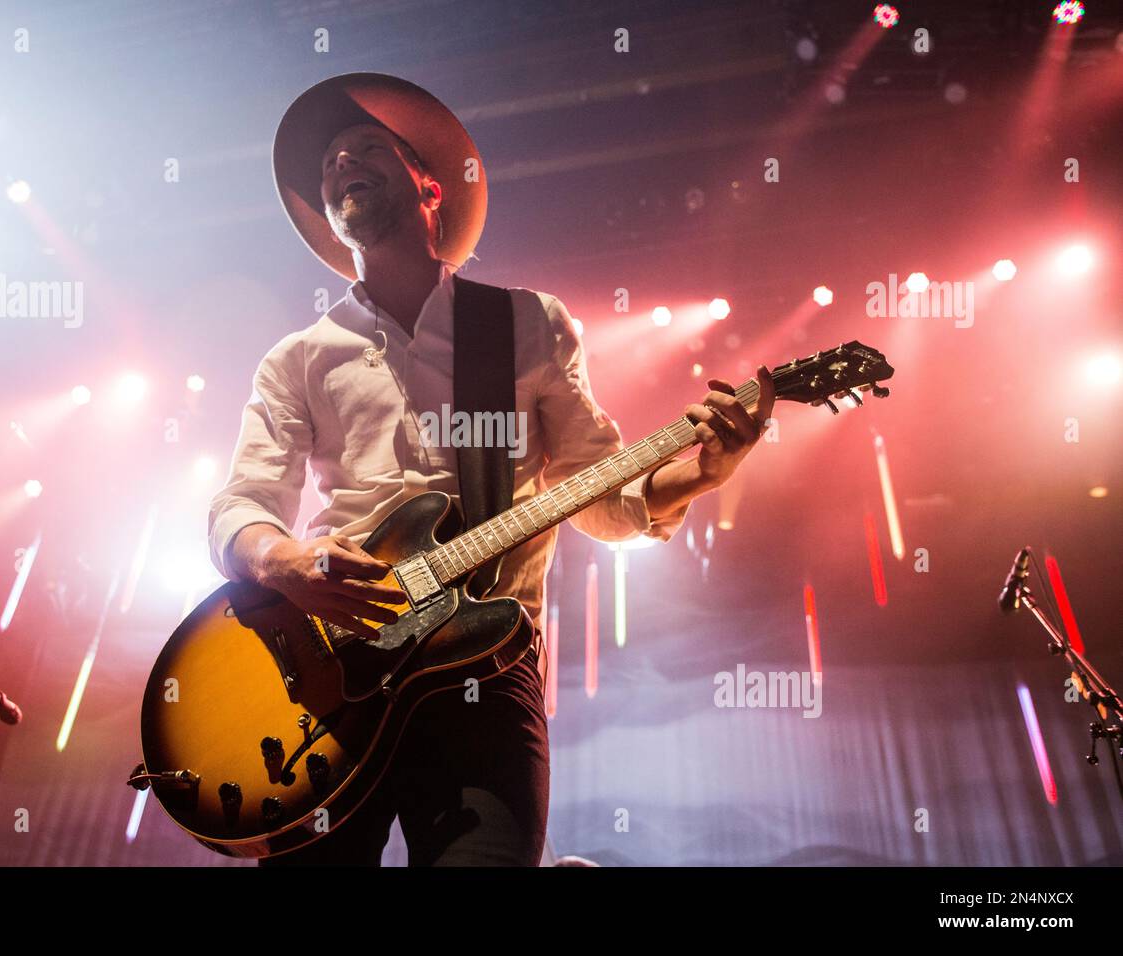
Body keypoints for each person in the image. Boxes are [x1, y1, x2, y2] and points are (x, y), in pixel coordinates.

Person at [208, 73, 774, 866]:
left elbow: (601, 499)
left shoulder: (526, 325)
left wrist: (703, 474)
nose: (342, 163)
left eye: (367, 148)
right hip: (334, 676)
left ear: (429, 186)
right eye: (332, 160)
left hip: (482, 671)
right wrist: (288, 560)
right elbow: (241, 503)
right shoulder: (296, 359)